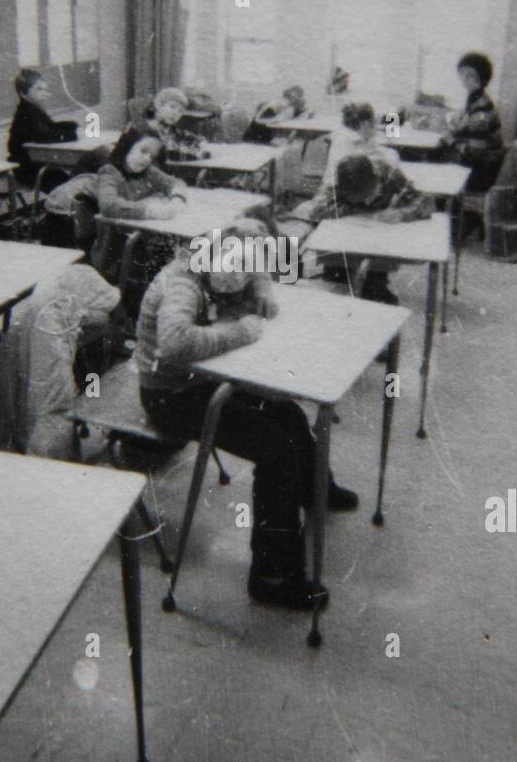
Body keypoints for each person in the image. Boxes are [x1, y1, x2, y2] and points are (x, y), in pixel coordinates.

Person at [135, 219, 358, 612]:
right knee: (275, 450)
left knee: (287, 412)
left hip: (203, 379)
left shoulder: (228, 245)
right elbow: (174, 343)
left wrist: (261, 293)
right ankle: (271, 577)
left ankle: (312, 488)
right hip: (171, 395)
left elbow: (256, 270)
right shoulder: (182, 283)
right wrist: (239, 331)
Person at [0, 264, 122, 459]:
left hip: (71, 305)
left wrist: (93, 407)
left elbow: (93, 374)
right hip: (66, 308)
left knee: (47, 391)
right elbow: (57, 404)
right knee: (47, 399)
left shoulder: (96, 324)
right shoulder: (82, 317)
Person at [285, 152, 434, 302]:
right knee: (336, 285)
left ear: (377, 179)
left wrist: (401, 214)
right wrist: (363, 211)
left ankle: (376, 284)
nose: (369, 202)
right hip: (344, 234)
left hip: (378, 232)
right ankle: (338, 283)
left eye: (372, 194)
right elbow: (318, 210)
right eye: (362, 198)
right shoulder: (339, 180)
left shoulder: (388, 172)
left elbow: (425, 201)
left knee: (376, 282)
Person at [94, 127, 188, 315]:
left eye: (151, 156)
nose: (146, 159)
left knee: (179, 254)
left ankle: (167, 301)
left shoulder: (149, 171)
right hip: (116, 244)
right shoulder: (109, 172)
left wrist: (177, 197)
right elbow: (109, 205)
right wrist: (151, 211)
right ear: (127, 146)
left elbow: (174, 182)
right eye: (143, 151)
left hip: (143, 237)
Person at [441, 52, 504, 192]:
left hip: (481, 174)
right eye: (462, 75)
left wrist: (452, 141)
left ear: (479, 79)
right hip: (479, 168)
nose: (464, 79)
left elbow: (476, 154)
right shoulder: (477, 100)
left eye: (469, 75)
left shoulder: (481, 110)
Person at [7, 68, 79, 185]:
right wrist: (73, 134)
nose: (45, 93)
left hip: (38, 164)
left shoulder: (35, 110)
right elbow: (44, 135)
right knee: (71, 182)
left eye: (46, 89)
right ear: (23, 94)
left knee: (72, 180)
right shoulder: (26, 113)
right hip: (28, 169)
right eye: (39, 89)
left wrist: (72, 125)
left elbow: (50, 126)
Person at [138, 87, 211, 162]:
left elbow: (182, 134)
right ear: (159, 105)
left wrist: (199, 141)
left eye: (180, 111)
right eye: (172, 107)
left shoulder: (168, 128)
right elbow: (169, 154)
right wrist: (197, 154)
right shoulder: (149, 128)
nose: (175, 113)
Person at [243, 84, 308, 145]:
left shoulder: (289, 107)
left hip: (263, 137)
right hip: (257, 137)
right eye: (293, 95)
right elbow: (260, 119)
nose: (294, 98)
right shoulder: (278, 104)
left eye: (297, 96)